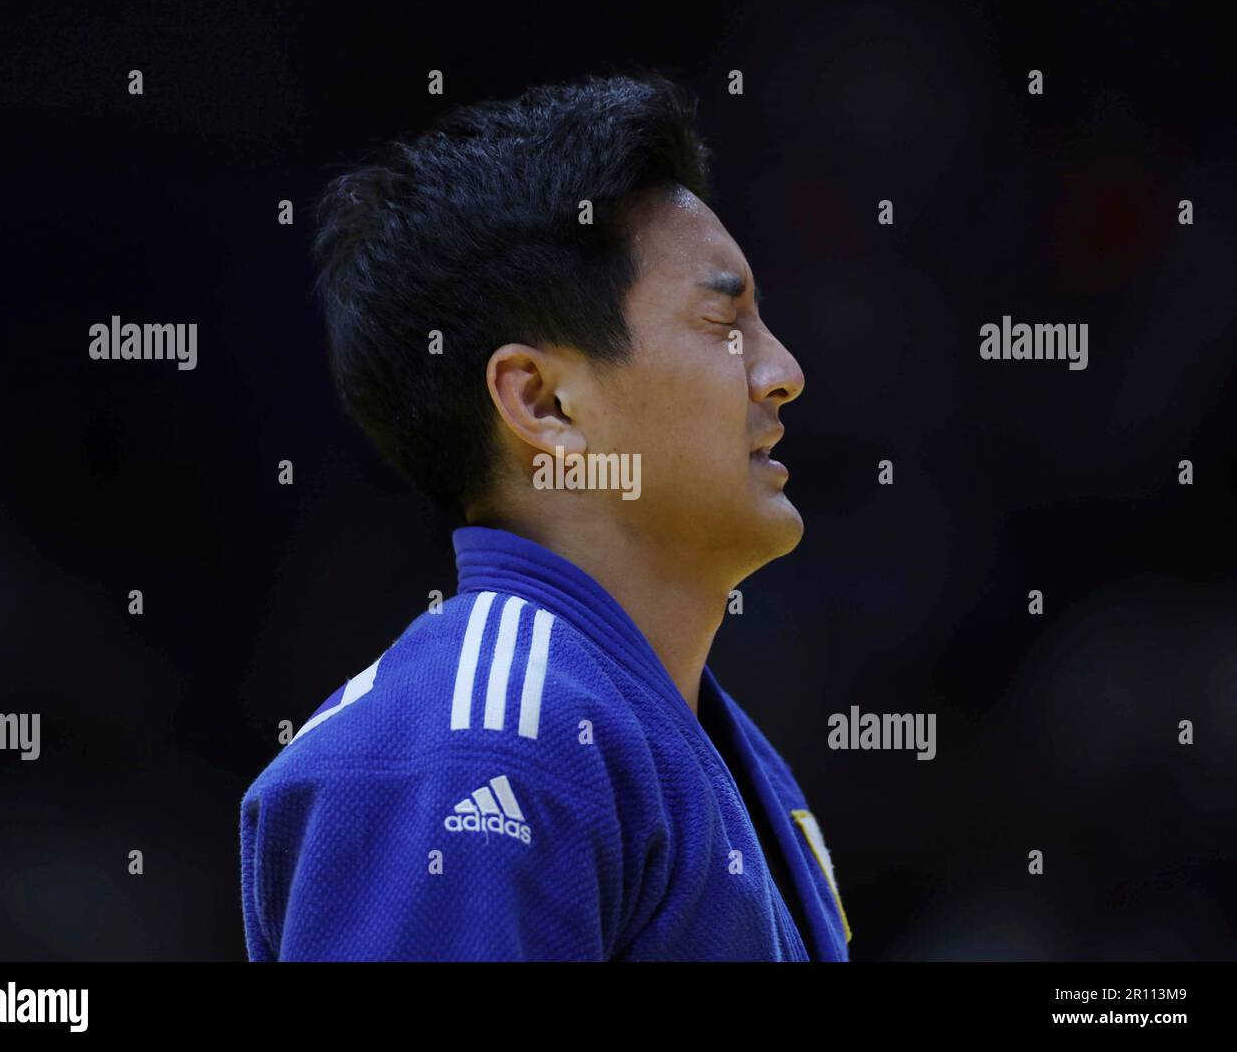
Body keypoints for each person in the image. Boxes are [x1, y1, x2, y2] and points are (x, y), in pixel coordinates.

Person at [239, 71, 851, 961]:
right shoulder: (471, 748)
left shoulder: (735, 762)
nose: (782, 369)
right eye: (727, 322)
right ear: (544, 402)